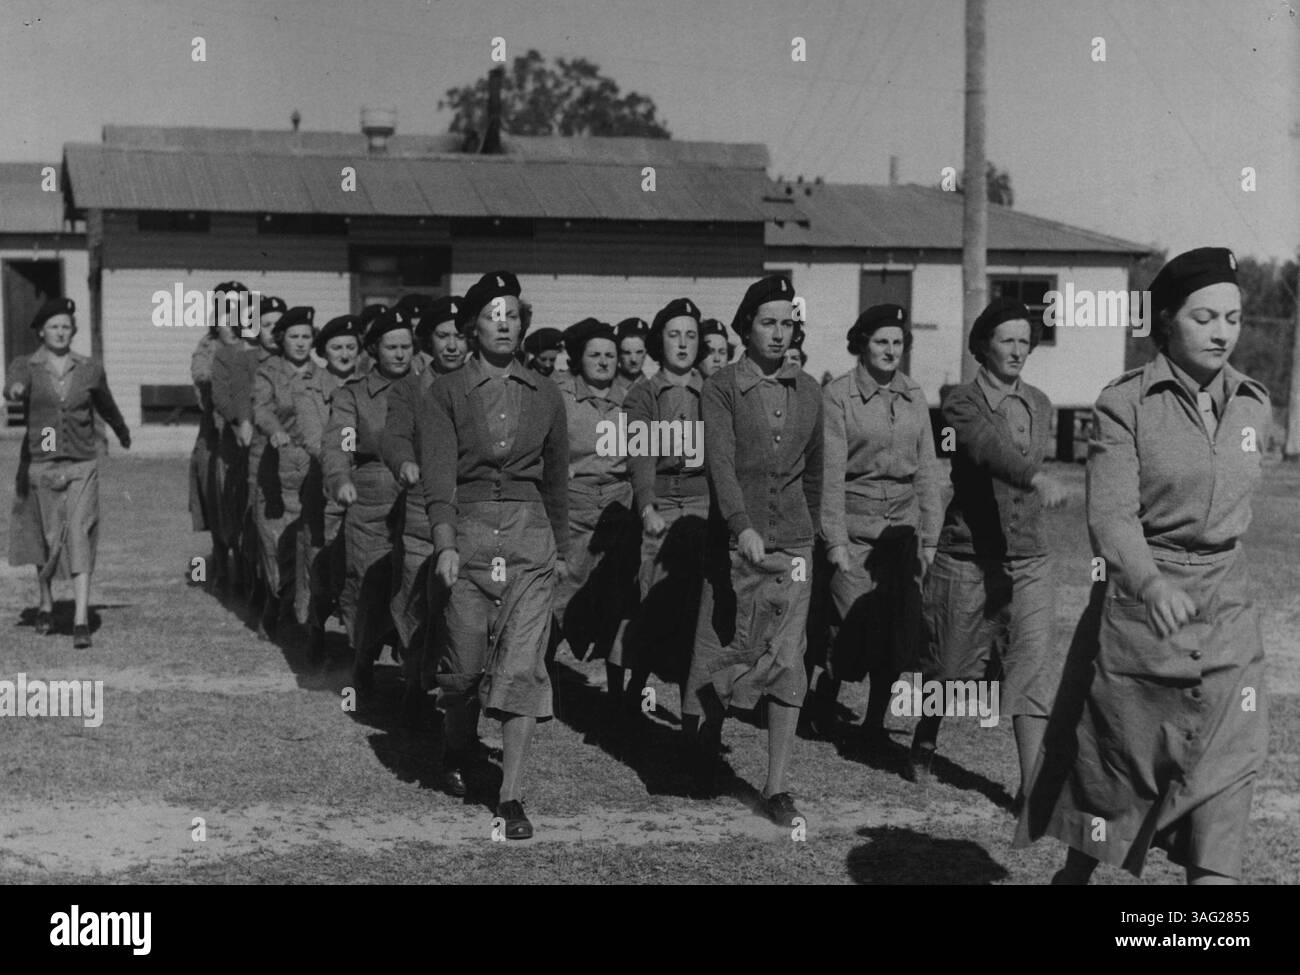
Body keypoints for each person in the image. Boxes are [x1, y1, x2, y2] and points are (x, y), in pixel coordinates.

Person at [1017, 248, 1272, 886]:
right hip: (1140, 624)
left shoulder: (1253, 405)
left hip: (1227, 626)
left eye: (1234, 318)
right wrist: (1151, 581)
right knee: (1109, 793)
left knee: (1224, 793)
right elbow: (1111, 517)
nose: (1222, 332)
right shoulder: (1124, 403)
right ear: (1166, 321)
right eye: (1205, 316)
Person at [421, 270, 569, 840]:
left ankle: (510, 796)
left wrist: (558, 547)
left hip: (531, 540)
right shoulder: (446, 393)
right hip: (471, 538)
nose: (503, 323)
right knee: (462, 670)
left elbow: (556, 480)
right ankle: (457, 742)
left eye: (512, 313)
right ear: (472, 327)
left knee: (521, 667)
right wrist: (446, 543)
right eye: (491, 314)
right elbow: (438, 478)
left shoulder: (545, 392)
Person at [908, 297, 1067, 794]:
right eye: (1007, 340)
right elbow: (983, 449)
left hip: (1029, 558)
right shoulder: (960, 402)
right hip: (968, 555)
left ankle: (1030, 786)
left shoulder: (1040, 403)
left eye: (1025, 340)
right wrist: (1034, 477)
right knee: (952, 669)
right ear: (983, 346)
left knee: (1030, 668)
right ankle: (926, 736)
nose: (1018, 350)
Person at [686, 274, 823, 826]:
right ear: (747, 326)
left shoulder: (809, 389)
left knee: (788, 660)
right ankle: (701, 754)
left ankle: (775, 786)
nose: (778, 332)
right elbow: (719, 464)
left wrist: (811, 535)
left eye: (787, 323)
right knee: (726, 647)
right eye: (768, 322)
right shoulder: (720, 387)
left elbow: (815, 472)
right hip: (737, 546)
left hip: (794, 545)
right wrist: (740, 525)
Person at [808, 305, 941, 749]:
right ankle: (823, 700)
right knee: (846, 625)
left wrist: (931, 537)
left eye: (898, 342)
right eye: (881, 341)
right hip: (855, 522)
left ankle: (873, 724)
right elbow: (828, 475)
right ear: (862, 343)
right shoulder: (838, 396)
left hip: (901, 531)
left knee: (896, 628)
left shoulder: (914, 395)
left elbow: (926, 468)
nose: (890, 350)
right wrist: (835, 541)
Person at [4, 297, 131, 648]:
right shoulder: (25, 365)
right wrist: (14, 391)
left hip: (81, 462)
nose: (60, 332)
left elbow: (105, 402)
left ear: (72, 331)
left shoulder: (88, 368)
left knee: (78, 531)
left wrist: (121, 431)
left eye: (66, 326)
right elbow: (13, 384)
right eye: (54, 327)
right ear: (41, 332)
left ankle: (79, 619)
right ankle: (45, 601)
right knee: (45, 538)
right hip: (41, 464)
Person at [621, 298, 710, 728]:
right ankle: (635, 689)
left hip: (701, 503)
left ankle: (694, 714)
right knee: (652, 602)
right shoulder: (643, 393)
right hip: (659, 501)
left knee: (699, 610)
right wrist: (646, 508)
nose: (683, 343)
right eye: (674, 335)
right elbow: (638, 459)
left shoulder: (714, 391)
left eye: (691, 335)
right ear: (660, 341)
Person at [381, 295, 467, 719]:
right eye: (442, 336)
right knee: (415, 604)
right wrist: (404, 462)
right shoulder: (410, 389)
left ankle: (458, 692)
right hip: (420, 512)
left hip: (470, 510)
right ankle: (414, 683)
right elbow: (394, 435)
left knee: (462, 604)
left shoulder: (482, 386)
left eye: (460, 335)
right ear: (428, 342)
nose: (452, 345)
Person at [551, 318, 640, 714]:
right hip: (573, 504)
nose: (603, 362)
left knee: (618, 601)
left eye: (610, 355)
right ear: (578, 358)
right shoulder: (560, 395)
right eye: (595, 355)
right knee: (560, 594)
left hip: (619, 508)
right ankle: (543, 680)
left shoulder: (634, 396)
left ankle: (620, 698)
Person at [324, 307, 411, 691]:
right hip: (371, 497)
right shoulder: (354, 395)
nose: (400, 354)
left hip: (420, 499)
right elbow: (339, 442)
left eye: (407, 346)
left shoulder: (429, 390)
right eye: (391, 347)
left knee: (414, 585)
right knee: (368, 585)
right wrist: (340, 478)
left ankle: (414, 673)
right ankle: (363, 661)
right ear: (374, 350)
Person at [295, 313, 364, 661]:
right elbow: (312, 439)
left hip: (364, 490)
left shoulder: (369, 386)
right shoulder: (308, 388)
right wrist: (343, 468)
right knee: (321, 564)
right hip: (323, 491)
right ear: (323, 351)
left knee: (357, 566)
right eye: (337, 347)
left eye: (351, 346)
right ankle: (316, 630)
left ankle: (357, 644)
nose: (345, 353)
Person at [251, 305, 317, 641]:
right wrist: (274, 429)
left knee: (301, 547)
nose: (301, 343)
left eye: (307, 336)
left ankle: (295, 618)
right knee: (275, 546)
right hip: (275, 472)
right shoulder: (269, 372)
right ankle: (274, 604)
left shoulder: (322, 375)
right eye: (294, 336)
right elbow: (261, 408)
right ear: (282, 338)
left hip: (311, 470)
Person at [189, 287, 242, 591]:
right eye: (226, 313)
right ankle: (222, 565)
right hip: (216, 435)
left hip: (248, 433)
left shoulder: (254, 343)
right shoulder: (207, 346)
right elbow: (202, 376)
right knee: (216, 498)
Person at [614, 317, 650, 393]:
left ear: (646, 352)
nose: (634, 359)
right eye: (627, 353)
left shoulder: (653, 388)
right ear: (618, 354)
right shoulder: (607, 386)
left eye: (639, 352)